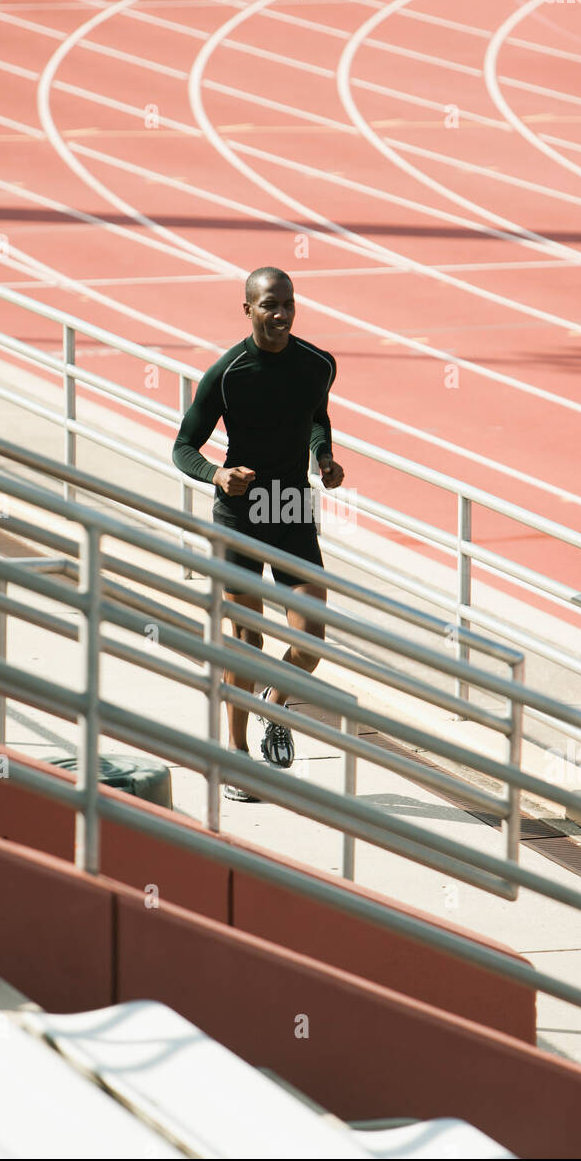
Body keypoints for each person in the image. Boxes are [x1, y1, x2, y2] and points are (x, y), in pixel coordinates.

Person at [172, 266, 344, 801]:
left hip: (290, 505)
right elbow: (183, 446)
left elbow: (316, 415)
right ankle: (236, 756)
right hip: (240, 513)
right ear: (247, 309)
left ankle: (275, 701)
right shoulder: (227, 373)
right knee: (247, 636)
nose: (281, 315)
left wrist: (324, 456)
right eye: (269, 305)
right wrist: (218, 474)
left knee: (311, 633)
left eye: (288, 304)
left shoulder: (318, 364)